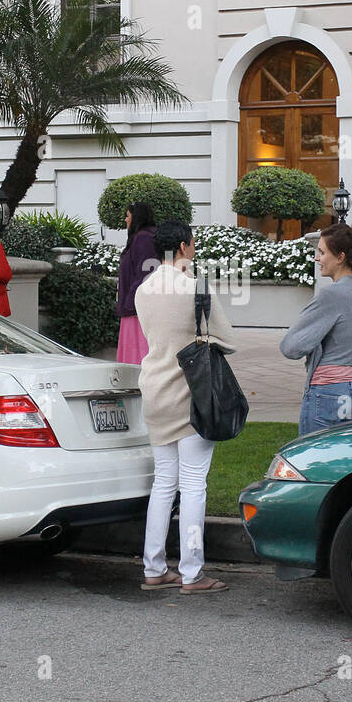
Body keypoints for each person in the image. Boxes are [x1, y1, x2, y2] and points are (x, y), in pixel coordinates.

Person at [134, 220, 235, 594]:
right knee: (193, 485)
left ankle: (154, 567)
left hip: (155, 391)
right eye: (192, 243)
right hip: (192, 395)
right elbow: (226, 340)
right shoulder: (196, 288)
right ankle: (192, 573)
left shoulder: (144, 290)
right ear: (182, 246)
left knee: (163, 484)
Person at [280, 224, 352, 435]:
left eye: (322, 252)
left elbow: (290, 347)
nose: (317, 258)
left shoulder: (330, 295)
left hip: (326, 393)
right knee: (347, 462)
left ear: (340, 257)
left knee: (312, 462)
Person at [115, 201, 158, 365]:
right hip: (135, 306)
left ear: (136, 217)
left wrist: (130, 303)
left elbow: (145, 273)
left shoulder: (143, 238)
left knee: (137, 355)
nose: (126, 220)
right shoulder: (144, 237)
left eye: (127, 216)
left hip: (136, 309)